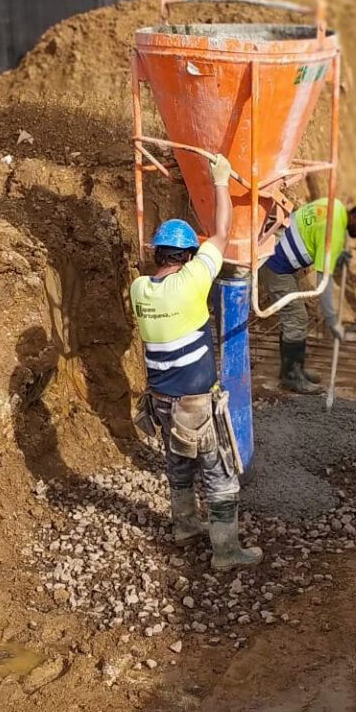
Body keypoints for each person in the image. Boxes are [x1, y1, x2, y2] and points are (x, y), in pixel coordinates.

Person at [130, 155, 261, 571]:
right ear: (187, 256)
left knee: (178, 463)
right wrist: (220, 182)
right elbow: (222, 234)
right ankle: (226, 552)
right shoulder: (192, 282)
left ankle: (184, 525)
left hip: (161, 401)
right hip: (195, 405)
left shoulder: (139, 289)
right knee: (220, 476)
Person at [257, 190, 356, 394]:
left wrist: (336, 257)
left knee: (294, 317)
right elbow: (323, 284)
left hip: (275, 248)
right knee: (296, 317)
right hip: (275, 266)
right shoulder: (334, 236)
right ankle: (291, 376)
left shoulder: (334, 206)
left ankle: (295, 369)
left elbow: (315, 237)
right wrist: (332, 321)